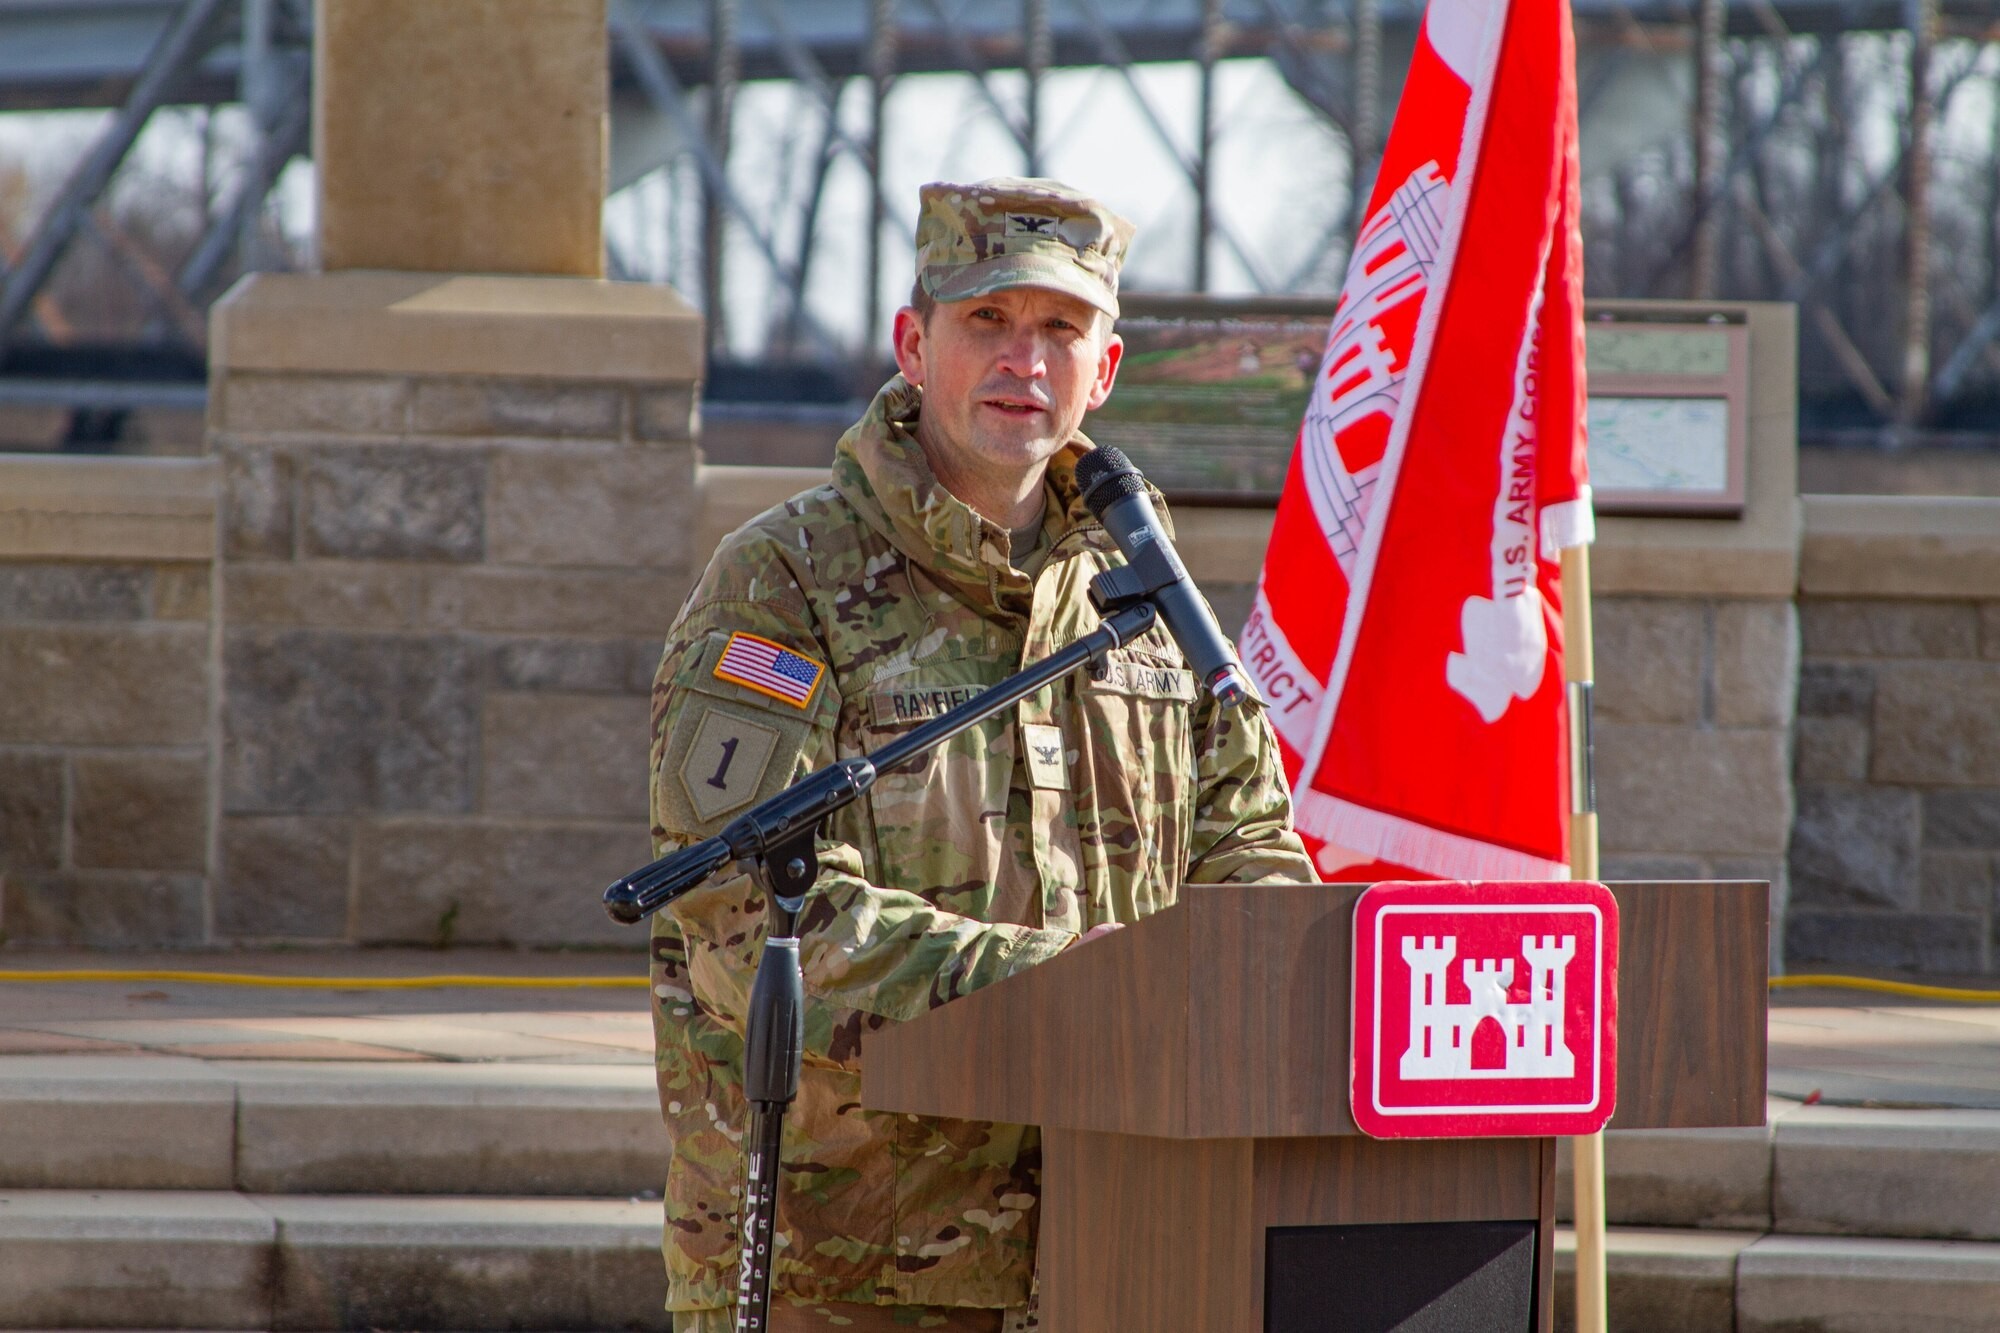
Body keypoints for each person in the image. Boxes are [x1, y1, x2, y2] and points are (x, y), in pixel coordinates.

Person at [646, 176, 1316, 1333]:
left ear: (1102, 372)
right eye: (987, 322)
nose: (1026, 361)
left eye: (1061, 330)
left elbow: (1248, 847)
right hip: (852, 1268)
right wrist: (1058, 988)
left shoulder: (1145, 588)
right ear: (913, 345)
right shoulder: (783, 581)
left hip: (1132, 1241)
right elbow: (740, 915)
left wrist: (1287, 984)